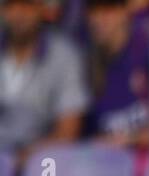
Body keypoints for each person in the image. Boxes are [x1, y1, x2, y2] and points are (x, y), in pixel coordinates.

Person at [85, 0, 149, 148]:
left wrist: (133, 139)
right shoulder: (89, 65)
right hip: (109, 164)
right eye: (92, 12)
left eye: (107, 11)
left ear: (124, 12)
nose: (97, 20)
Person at [0, 0, 89, 159]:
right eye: (11, 6)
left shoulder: (64, 55)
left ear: (41, 8)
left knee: (49, 174)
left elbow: (68, 132)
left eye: (27, 6)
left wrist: (25, 158)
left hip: (44, 159)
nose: (18, 14)